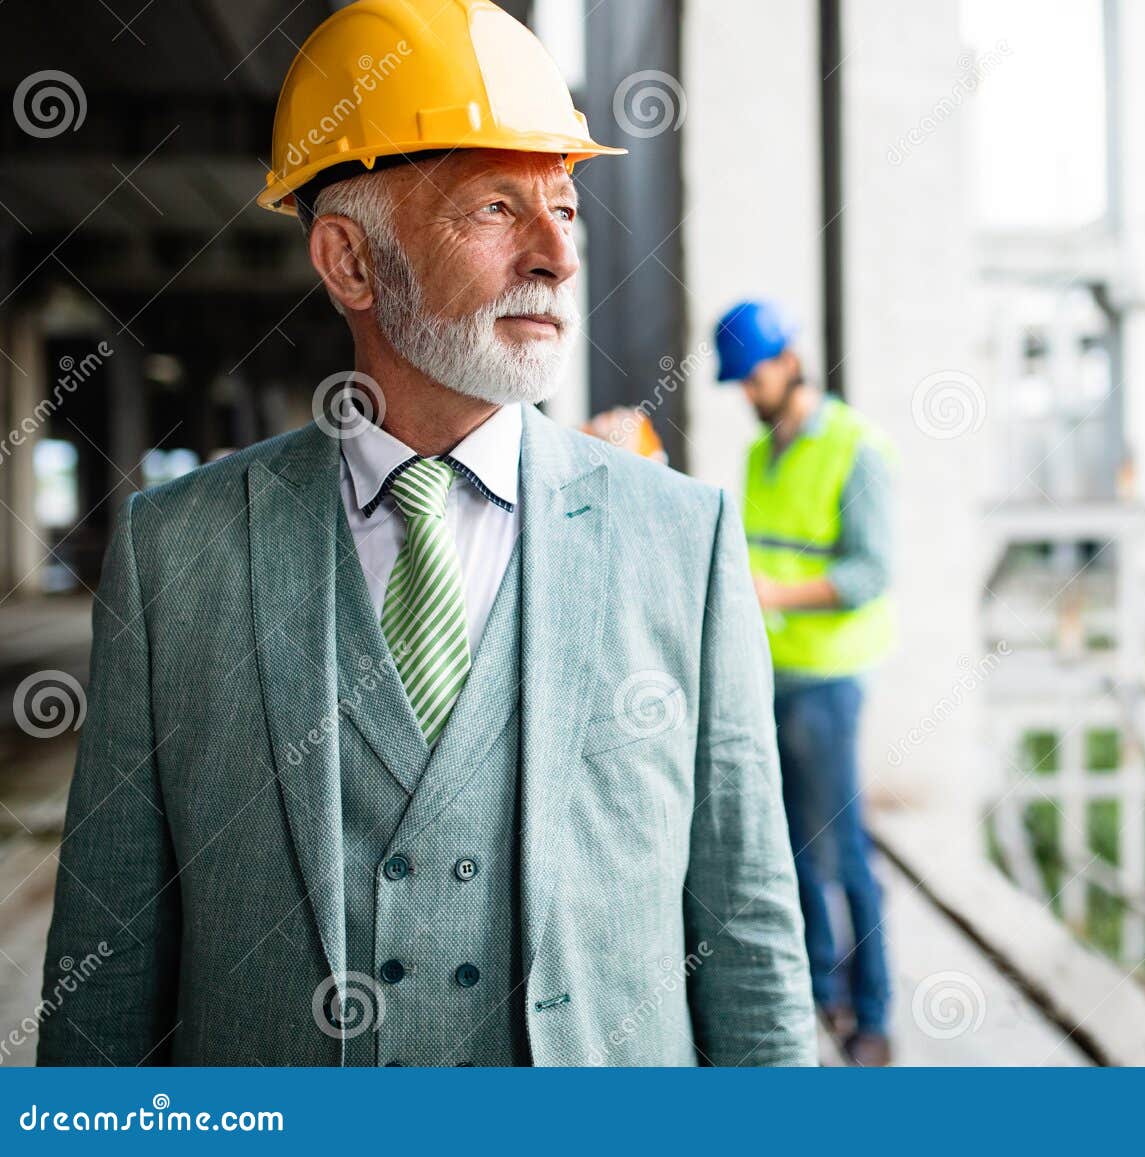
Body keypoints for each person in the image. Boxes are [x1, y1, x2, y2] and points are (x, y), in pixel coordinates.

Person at [37, 0, 814, 1068]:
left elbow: (748, 930)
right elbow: (108, 960)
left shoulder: (683, 538)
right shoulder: (178, 552)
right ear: (350, 262)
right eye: (497, 208)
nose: (557, 257)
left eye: (566, 209)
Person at [714, 300, 897, 1066]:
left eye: (754, 376)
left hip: (828, 680)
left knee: (842, 851)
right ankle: (821, 994)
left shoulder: (853, 446)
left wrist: (777, 596)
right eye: (741, 382)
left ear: (790, 361)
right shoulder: (760, 457)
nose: (747, 394)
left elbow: (870, 570)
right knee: (789, 847)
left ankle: (874, 1011)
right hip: (771, 676)